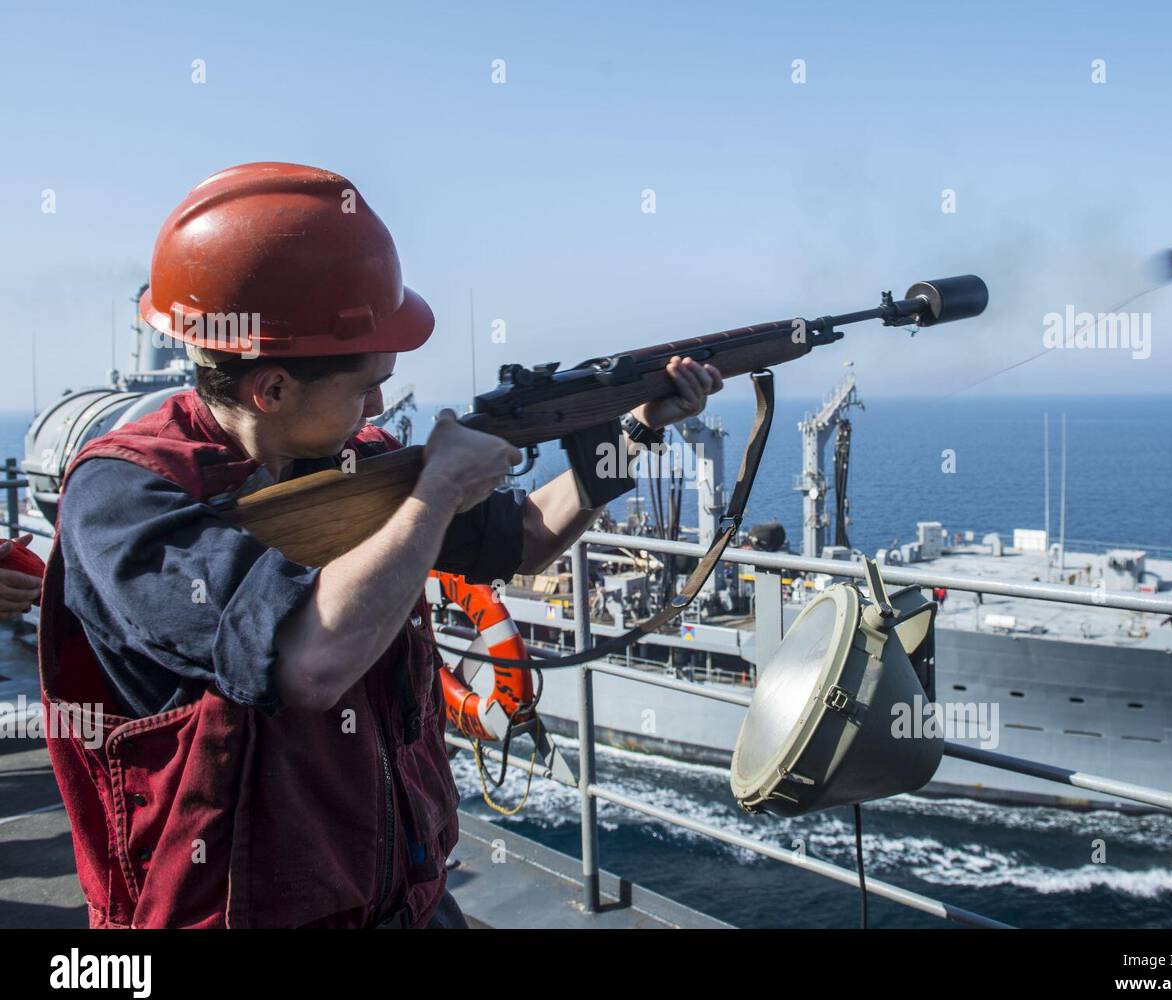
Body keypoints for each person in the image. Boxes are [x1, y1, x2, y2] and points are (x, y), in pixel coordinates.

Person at [39, 162, 721, 929]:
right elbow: (308, 661)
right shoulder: (125, 496)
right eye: (367, 384)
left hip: (404, 896)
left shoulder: (349, 457)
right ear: (271, 390)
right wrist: (434, 493)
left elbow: (524, 539)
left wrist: (634, 433)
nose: (379, 404)